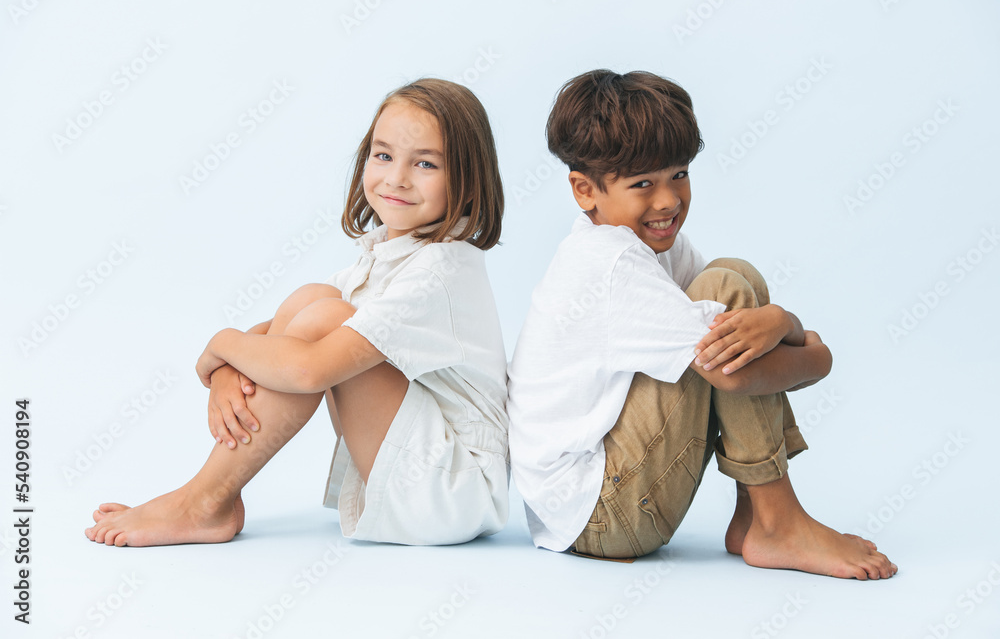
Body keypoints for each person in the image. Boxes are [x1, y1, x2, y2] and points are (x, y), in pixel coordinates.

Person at [506, 69, 897, 579]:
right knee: (726, 293)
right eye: (643, 184)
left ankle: (754, 516)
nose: (668, 200)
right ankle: (777, 522)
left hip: (590, 504)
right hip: (600, 515)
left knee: (734, 277)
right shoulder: (610, 265)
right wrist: (814, 352)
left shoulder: (648, 245)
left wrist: (778, 323)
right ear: (585, 190)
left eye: (679, 174)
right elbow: (735, 373)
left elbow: (741, 329)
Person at [85, 78, 509, 547]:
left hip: (452, 491)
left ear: (468, 180)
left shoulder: (439, 273)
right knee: (314, 298)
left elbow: (308, 370)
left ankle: (203, 501)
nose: (397, 178)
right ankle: (215, 496)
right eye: (384, 155)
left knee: (325, 322)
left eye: (425, 163)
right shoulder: (388, 256)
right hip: (425, 468)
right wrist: (227, 370)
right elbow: (272, 336)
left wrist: (222, 343)